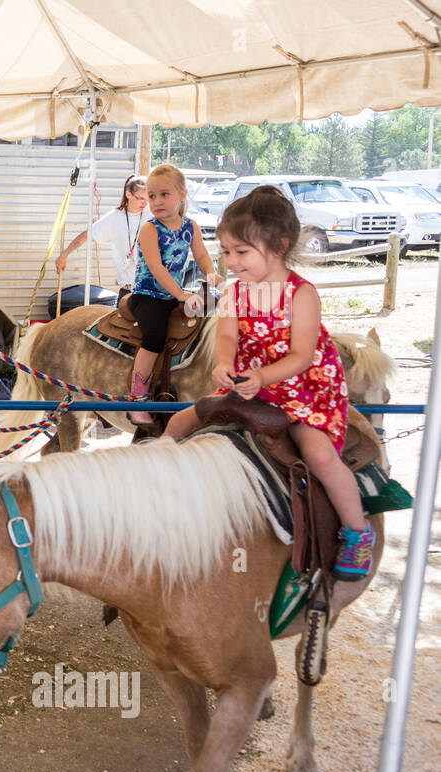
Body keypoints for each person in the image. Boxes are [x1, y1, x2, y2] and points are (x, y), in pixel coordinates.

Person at [164, 186, 373, 579]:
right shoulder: (235, 292)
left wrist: (260, 376)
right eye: (226, 252)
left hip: (302, 390)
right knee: (179, 421)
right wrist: (224, 364)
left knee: (319, 456)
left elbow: (302, 356)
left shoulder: (301, 294)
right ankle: (153, 488)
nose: (231, 262)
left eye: (241, 252)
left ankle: (357, 531)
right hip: (250, 382)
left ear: (278, 247)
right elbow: (226, 336)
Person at [126, 163, 221, 425]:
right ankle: (137, 398)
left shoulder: (190, 226)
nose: (156, 201)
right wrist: (180, 294)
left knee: (210, 320)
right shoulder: (150, 229)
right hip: (148, 295)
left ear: (182, 195)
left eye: (164, 194)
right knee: (154, 337)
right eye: (152, 196)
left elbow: (201, 254)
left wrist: (211, 275)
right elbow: (156, 267)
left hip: (174, 295)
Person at [54, 174, 150, 299]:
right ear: (128, 194)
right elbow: (87, 235)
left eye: (148, 199)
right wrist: (64, 254)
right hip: (128, 290)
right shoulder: (115, 217)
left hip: (150, 288)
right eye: (140, 198)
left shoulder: (152, 214)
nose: (145, 203)